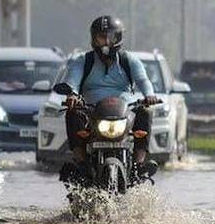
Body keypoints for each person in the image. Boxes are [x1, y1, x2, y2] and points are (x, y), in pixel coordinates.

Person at [61, 16, 159, 178]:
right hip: (91, 110)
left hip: (125, 110)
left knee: (145, 111)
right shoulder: (83, 61)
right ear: (94, 39)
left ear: (118, 38)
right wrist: (72, 95)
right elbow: (73, 81)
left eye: (111, 37)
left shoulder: (129, 60)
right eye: (101, 37)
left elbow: (143, 80)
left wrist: (149, 95)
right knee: (72, 113)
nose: (106, 42)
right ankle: (82, 163)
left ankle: (139, 164)